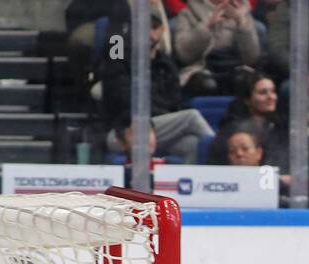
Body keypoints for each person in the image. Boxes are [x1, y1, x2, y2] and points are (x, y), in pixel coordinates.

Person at [100, 12, 215, 160]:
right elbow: (120, 99)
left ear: (162, 31)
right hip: (123, 132)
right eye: (144, 27)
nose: (149, 33)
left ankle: (185, 183)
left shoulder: (166, 64)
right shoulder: (118, 56)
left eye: (154, 28)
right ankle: (224, 158)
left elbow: (174, 102)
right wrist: (150, 123)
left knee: (192, 144)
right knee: (191, 117)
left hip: (160, 130)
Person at [171, 0, 264, 96]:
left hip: (235, 67)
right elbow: (184, 55)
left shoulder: (241, 12)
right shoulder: (188, 13)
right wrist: (207, 25)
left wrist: (241, 22)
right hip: (201, 68)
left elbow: (252, 58)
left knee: (244, 82)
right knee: (206, 84)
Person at [209, 70, 288, 166]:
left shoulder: (283, 126)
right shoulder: (231, 130)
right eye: (263, 93)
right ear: (248, 100)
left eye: (273, 91)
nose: (270, 97)